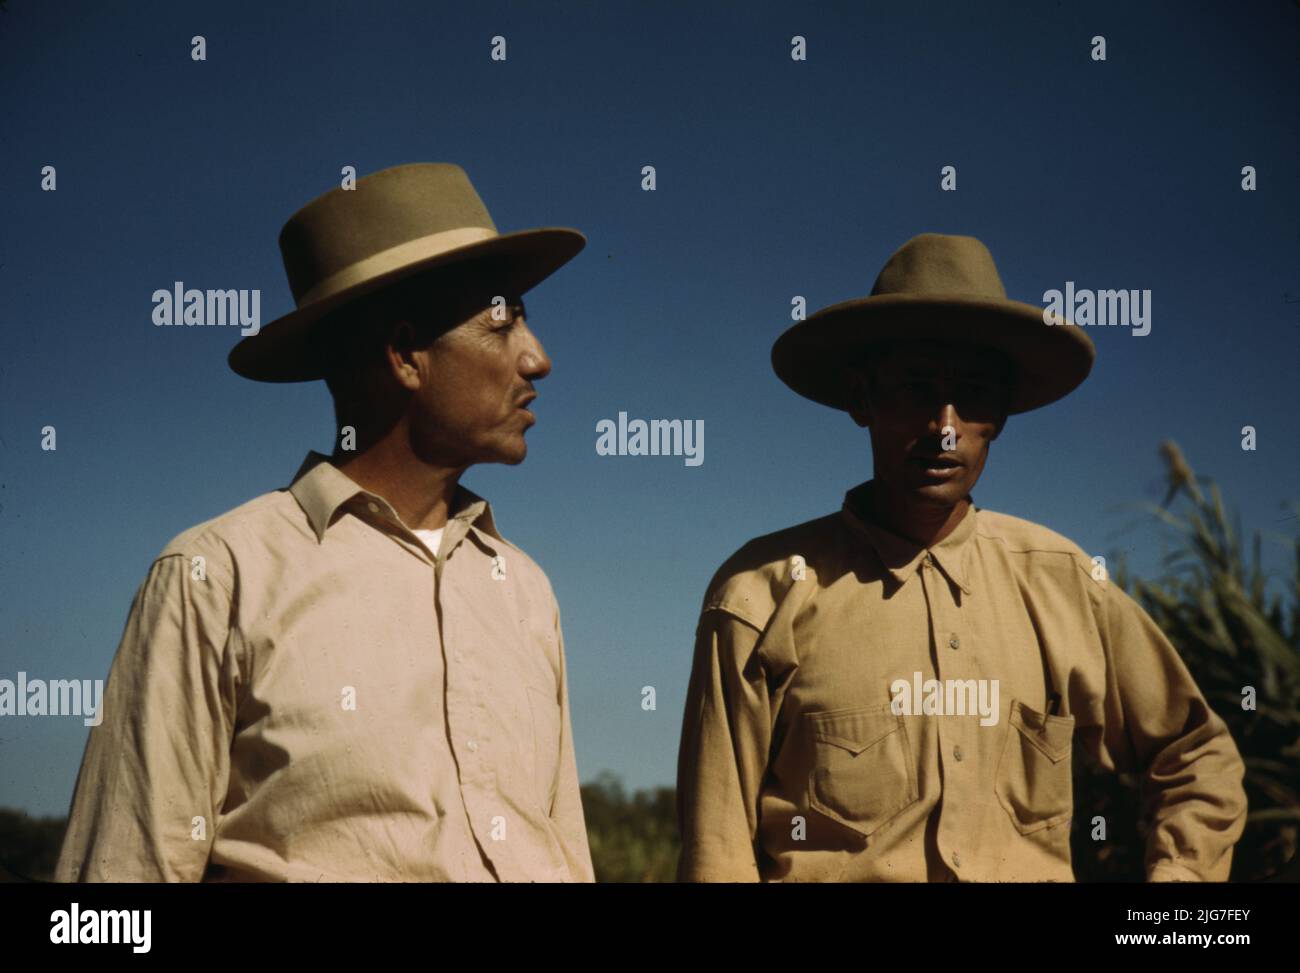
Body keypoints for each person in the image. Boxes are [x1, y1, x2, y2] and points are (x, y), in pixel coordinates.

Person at [57, 162, 594, 882]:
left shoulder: (525, 591)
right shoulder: (216, 577)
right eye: (503, 322)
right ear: (406, 355)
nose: (538, 357)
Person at [676, 232, 1247, 882]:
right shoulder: (761, 594)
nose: (944, 426)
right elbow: (715, 851)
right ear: (863, 399)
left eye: (971, 395)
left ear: (999, 413)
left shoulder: (1063, 583)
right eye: (916, 389)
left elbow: (1198, 754)